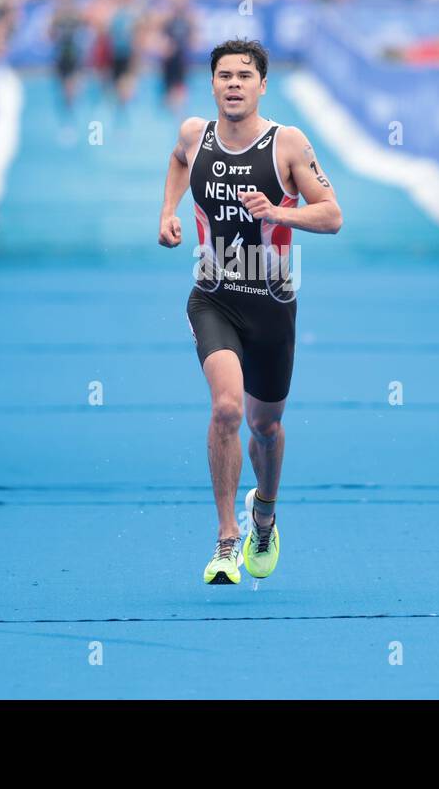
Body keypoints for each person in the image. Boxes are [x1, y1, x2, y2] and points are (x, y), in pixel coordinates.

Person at [157, 39, 343, 585]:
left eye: (244, 75)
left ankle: (264, 513)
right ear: (211, 83)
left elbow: (332, 216)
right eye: (224, 75)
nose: (233, 83)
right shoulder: (196, 134)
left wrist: (283, 210)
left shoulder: (287, 144)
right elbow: (176, 159)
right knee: (226, 410)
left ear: (263, 85)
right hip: (213, 295)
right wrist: (167, 212)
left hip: (273, 304)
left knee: (265, 426)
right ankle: (226, 541)